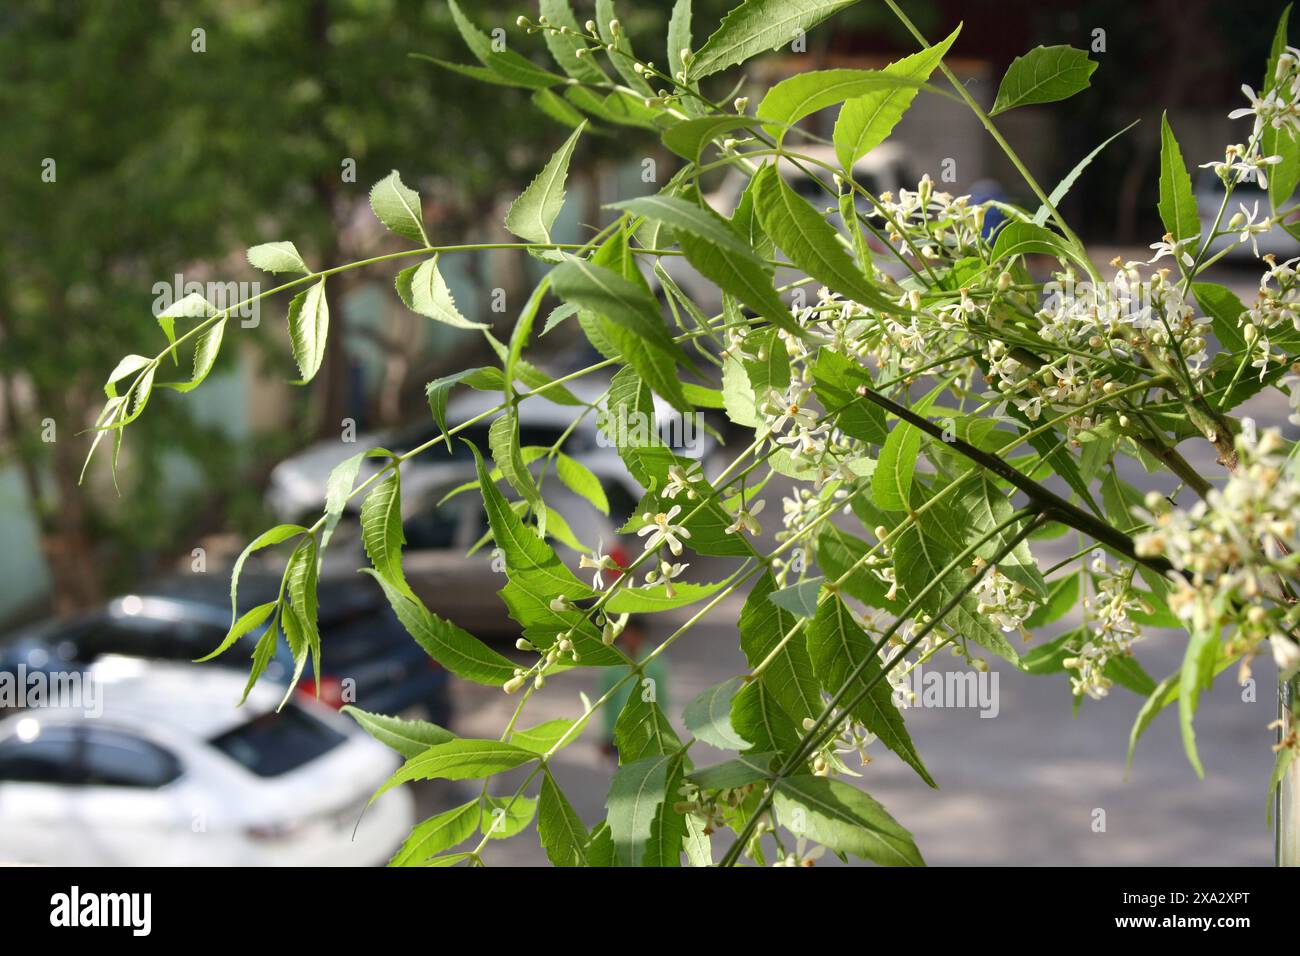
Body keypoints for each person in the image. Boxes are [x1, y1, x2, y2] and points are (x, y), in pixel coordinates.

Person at [598, 617, 670, 760]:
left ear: (641, 636)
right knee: (624, 772)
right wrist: (606, 734)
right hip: (620, 731)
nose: (629, 638)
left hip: (646, 730)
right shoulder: (613, 664)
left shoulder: (653, 664)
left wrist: (661, 729)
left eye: (633, 634)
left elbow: (659, 698)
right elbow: (607, 701)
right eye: (626, 634)